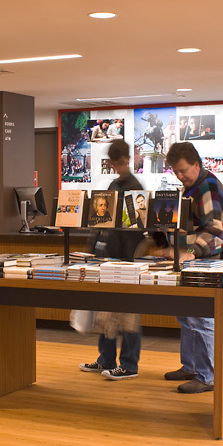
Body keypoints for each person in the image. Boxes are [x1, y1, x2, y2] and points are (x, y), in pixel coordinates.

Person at [163, 141, 223, 394]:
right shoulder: (191, 187)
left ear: (196, 164)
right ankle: (191, 366)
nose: (180, 176)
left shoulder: (209, 187)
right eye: (175, 172)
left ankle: (208, 376)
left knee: (201, 318)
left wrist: (191, 252)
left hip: (204, 261)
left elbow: (216, 231)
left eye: (183, 171)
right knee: (187, 315)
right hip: (190, 259)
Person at [79, 139, 146, 380]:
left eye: (120, 163)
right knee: (104, 313)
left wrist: (130, 260)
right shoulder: (112, 185)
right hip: (107, 257)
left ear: (127, 160)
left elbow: (137, 228)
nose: (117, 168)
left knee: (128, 315)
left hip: (127, 259)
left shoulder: (134, 187)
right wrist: (92, 250)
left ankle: (129, 365)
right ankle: (105, 359)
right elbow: (99, 225)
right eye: (114, 164)